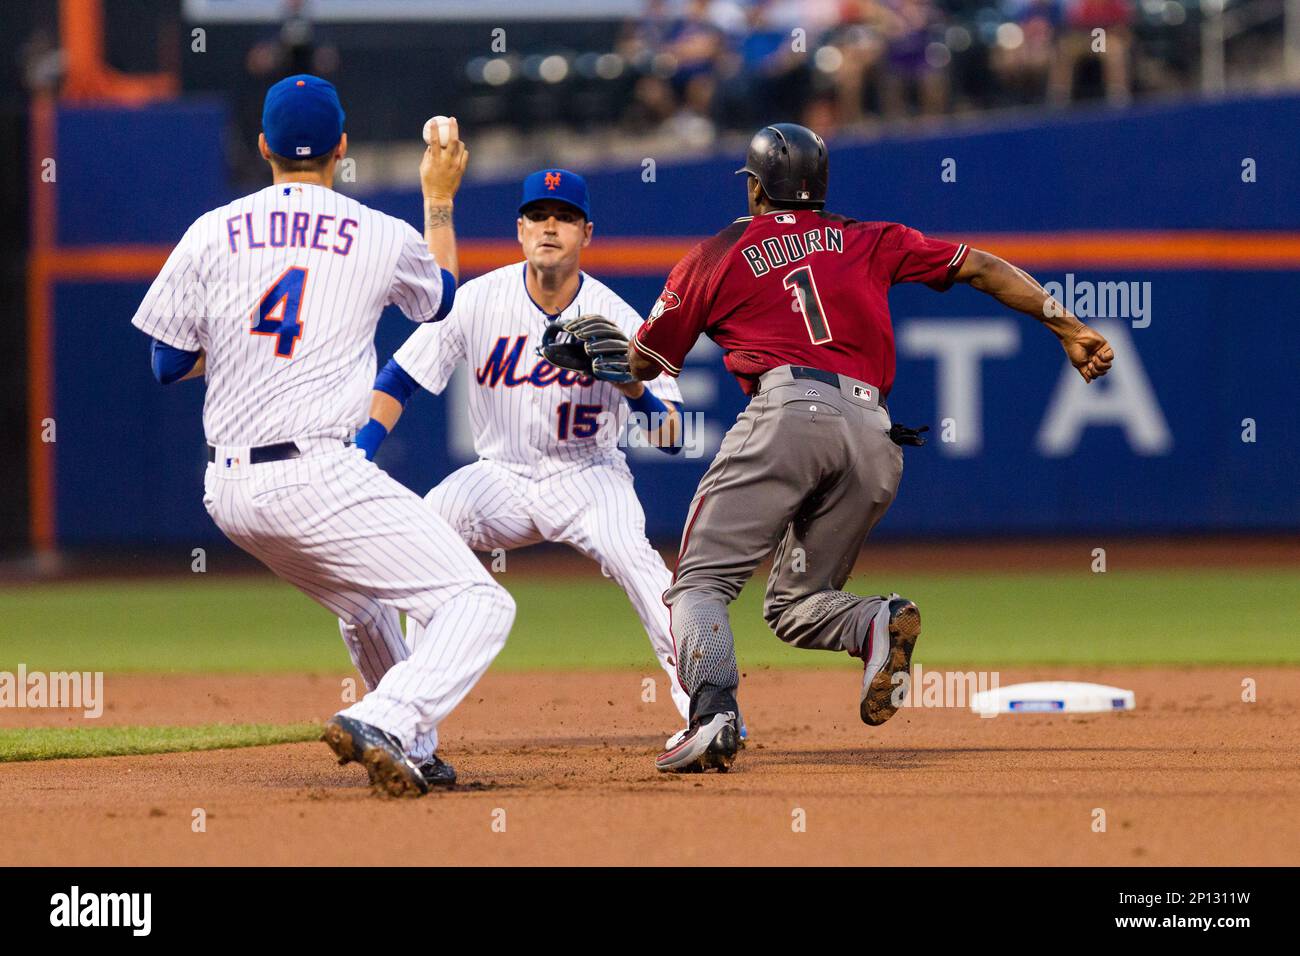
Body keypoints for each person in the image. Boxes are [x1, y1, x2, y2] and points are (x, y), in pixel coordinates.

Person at [628, 123, 1114, 772]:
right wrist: (1067, 326)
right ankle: (876, 623)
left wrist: (609, 356)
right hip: (874, 434)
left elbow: (646, 359)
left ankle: (715, 715)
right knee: (796, 604)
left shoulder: (719, 252)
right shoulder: (870, 238)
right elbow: (981, 267)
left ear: (754, 190)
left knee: (701, 583)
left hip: (785, 415)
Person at [131, 74, 515, 797]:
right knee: (479, 601)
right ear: (342, 146)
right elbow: (439, 301)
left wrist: (241, 345)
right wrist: (439, 197)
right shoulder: (374, 231)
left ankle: (416, 748)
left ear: (263, 145)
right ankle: (386, 718)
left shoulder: (212, 229)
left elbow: (168, 363)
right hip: (316, 475)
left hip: (230, 490)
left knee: (365, 607)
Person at [350, 168, 693, 736]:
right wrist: (361, 453)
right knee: (425, 526)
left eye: (564, 217)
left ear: (588, 232)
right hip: (501, 477)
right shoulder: (480, 298)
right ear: (520, 229)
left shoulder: (622, 319)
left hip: (589, 475)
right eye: (538, 215)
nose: (550, 226)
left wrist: (633, 387)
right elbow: (399, 378)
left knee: (636, 559)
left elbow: (676, 437)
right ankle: (407, 719)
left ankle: (705, 708)